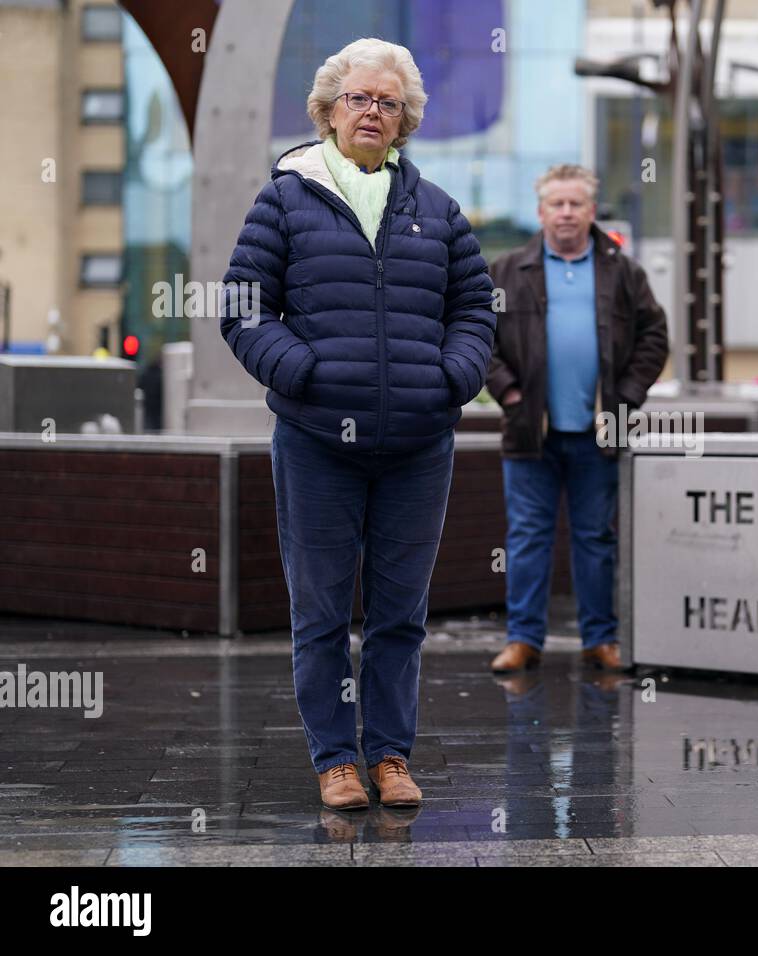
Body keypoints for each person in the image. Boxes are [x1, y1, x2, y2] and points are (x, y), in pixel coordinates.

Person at [219, 38, 495, 811]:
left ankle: (391, 756)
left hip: (417, 444)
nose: (373, 111)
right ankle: (336, 759)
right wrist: (301, 373)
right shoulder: (285, 198)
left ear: (404, 119)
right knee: (320, 612)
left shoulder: (436, 209)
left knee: (401, 614)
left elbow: (474, 308)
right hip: (316, 443)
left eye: (388, 102)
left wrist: (453, 378)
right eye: (359, 99)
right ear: (329, 111)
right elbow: (243, 307)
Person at [485, 164, 668, 674]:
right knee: (526, 538)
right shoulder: (505, 271)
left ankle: (600, 639)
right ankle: (523, 640)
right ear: (541, 212)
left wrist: (627, 396)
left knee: (596, 538)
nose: (566, 213)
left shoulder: (623, 272)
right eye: (556, 204)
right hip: (530, 433)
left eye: (575, 204)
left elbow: (655, 336)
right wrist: (511, 393)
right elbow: (478, 339)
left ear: (591, 211)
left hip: (599, 434)